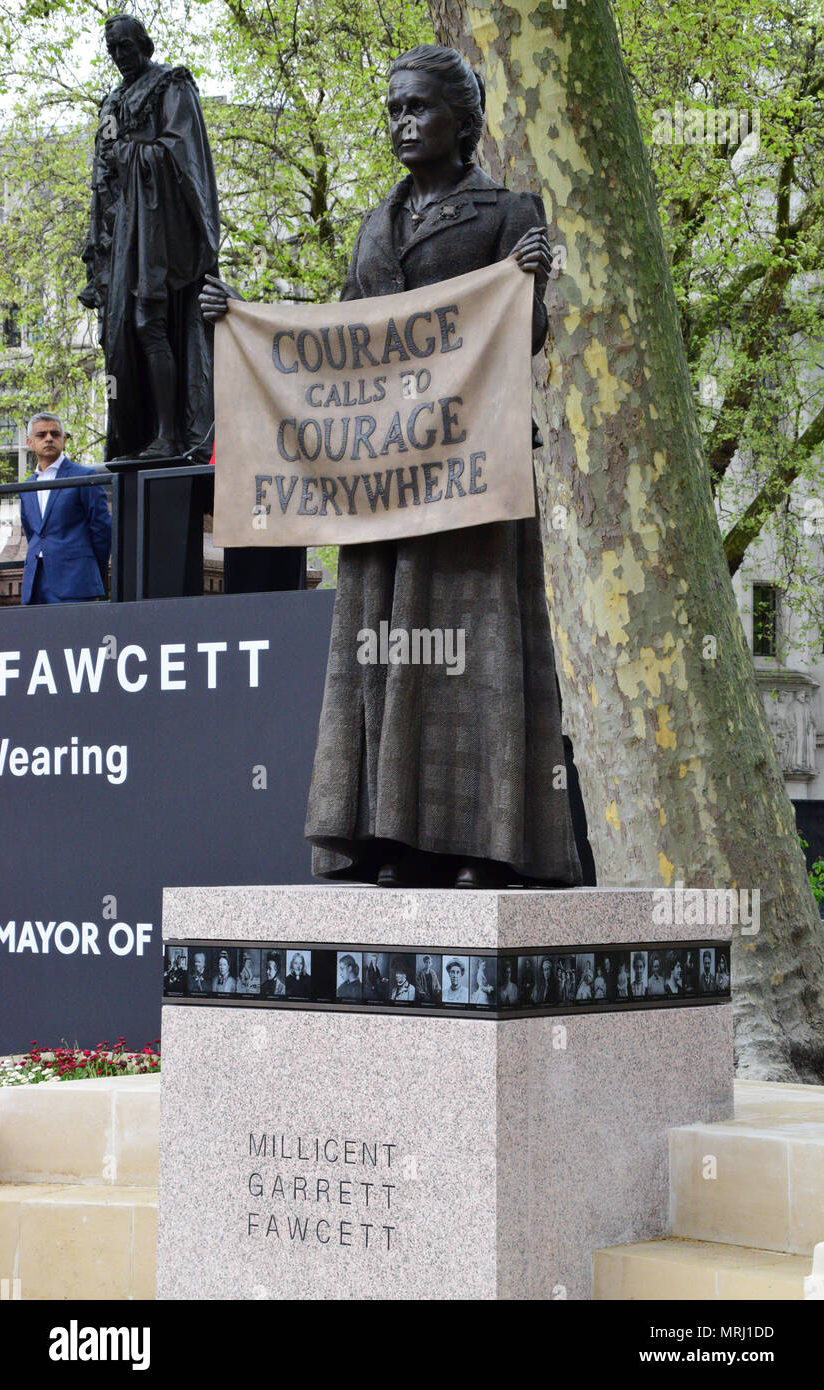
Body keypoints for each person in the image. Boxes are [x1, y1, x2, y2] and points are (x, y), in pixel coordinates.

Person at [201, 44, 583, 890]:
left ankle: (483, 844)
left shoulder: (507, 211)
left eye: (417, 108)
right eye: (392, 111)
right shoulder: (378, 221)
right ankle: (380, 832)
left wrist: (527, 292)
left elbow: (519, 342)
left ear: (462, 119)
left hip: (470, 478)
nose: (401, 124)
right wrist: (239, 321)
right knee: (377, 654)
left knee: (472, 656)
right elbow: (336, 347)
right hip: (379, 484)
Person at [80, 15, 219, 462]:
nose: (120, 57)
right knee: (118, 335)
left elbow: (179, 154)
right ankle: (132, 436)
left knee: (148, 323)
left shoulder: (171, 85)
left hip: (159, 229)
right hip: (122, 235)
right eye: (112, 49)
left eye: (126, 46)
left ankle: (169, 436)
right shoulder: (113, 99)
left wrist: (126, 152)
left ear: (145, 44)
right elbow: (102, 179)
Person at [20, 413, 111, 605]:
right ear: (30, 443)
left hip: (75, 581)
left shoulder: (84, 476)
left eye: (55, 434)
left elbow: (102, 529)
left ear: (64, 440)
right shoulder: (26, 487)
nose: (49, 438)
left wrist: (92, 570)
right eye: (41, 435)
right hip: (35, 582)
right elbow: (33, 533)